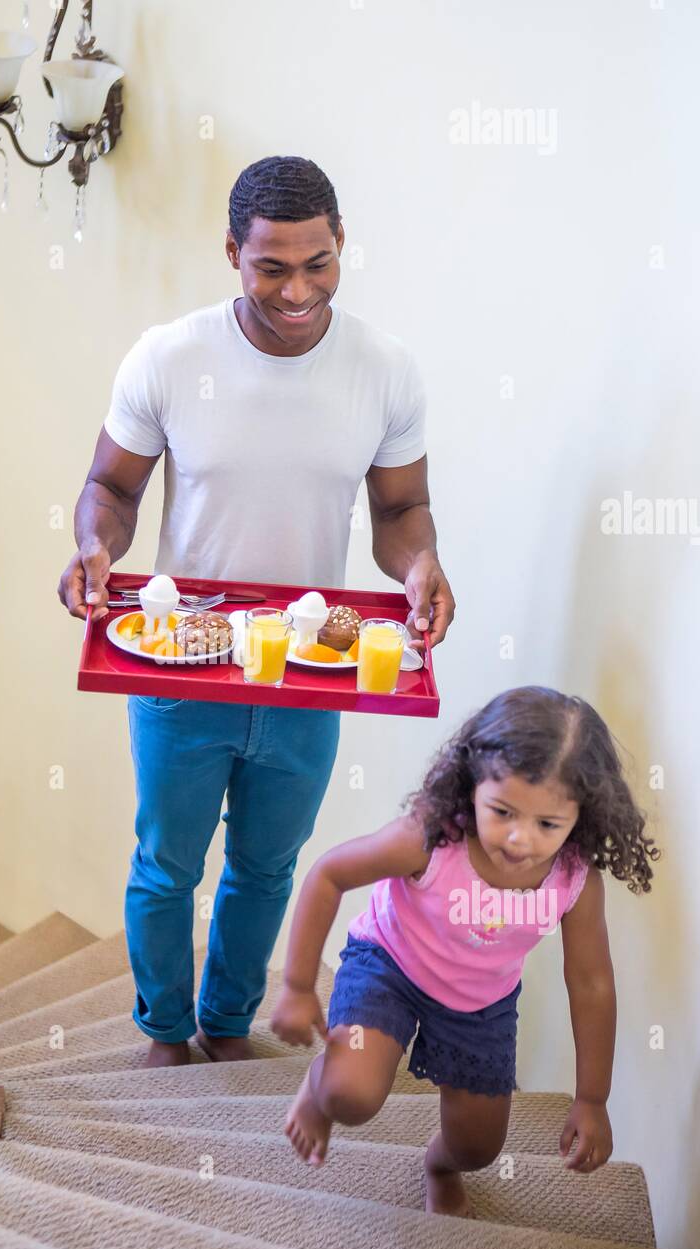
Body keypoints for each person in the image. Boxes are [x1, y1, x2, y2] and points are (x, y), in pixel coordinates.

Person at [58, 155, 455, 1068]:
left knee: (269, 868)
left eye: (317, 263)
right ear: (232, 253)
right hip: (180, 654)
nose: (297, 288)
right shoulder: (169, 356)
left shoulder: (386, 372)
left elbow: (398, 513)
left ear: (341, 245)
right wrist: (95, 547)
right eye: (271, 266)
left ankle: (227, 1024)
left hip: (315, 661)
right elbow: (109, 489)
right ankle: (164, 1031)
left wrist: (423, 561)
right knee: (168, 865)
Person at [271, 686, 660, 1217]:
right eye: (502, 812)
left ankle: (440, 1166)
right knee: (351, 1095)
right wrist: (296, 986)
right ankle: (319, 1088)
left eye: (547, 824)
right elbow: (330, 874)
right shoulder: (431, 838)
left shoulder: (574, 883)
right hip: (390, 965)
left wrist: (592, 1098)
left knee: (479, 1146)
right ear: (474, 785)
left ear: (580, 817)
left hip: (482, 1001)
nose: (520, 839)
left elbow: (591, 982)